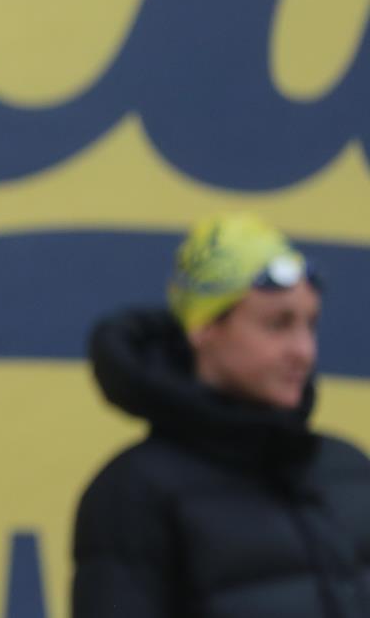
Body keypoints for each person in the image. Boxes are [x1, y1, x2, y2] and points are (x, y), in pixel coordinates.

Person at [72, 213, 370, 617]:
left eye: (310, 324)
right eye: (277, 324)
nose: (304, 351)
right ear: (204, 329)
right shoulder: (134, 493)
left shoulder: (347, 469)